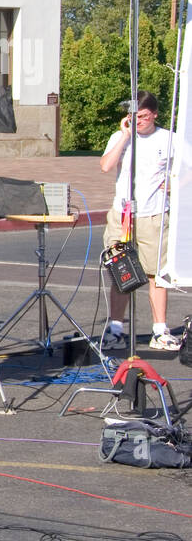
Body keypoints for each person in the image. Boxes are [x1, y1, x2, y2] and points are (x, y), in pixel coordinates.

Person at [99, 91, 177, 351]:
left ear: (154, 114)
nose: (139, 121)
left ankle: (160, 330)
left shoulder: (168, 140)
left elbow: (185, 171)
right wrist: (124, 136)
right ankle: (116, 329)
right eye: (134, 116)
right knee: (121, 272)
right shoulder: (120, 137)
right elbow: (106, 167)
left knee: (156, 274)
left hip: (153, 215)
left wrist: (174, 186)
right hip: (123, 215)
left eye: (143, 116)